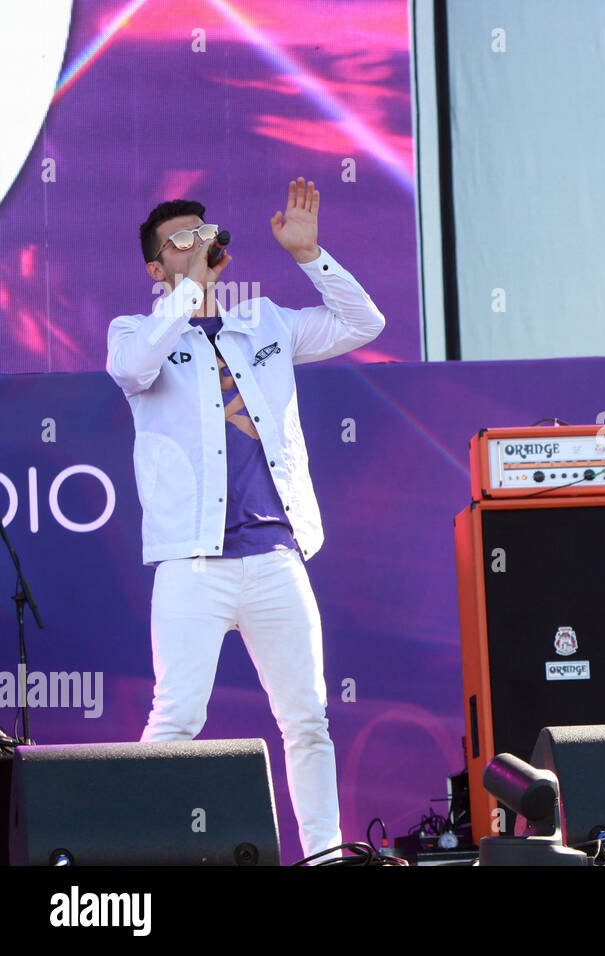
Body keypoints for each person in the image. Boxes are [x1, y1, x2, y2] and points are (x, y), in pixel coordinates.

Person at [106, 178, 385, 859]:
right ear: (155, 267)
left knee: (307, 721)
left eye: (204, 231)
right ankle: (141, 860)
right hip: (192, 565)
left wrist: (310, 254)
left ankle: (323, 856)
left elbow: (363, 324)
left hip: (275, 558)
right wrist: (188, 294)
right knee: (176, 720)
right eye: (180, 240)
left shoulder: (263, 321)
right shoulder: (137, 332)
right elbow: (131, 368)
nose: (199, 243)